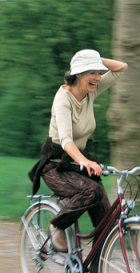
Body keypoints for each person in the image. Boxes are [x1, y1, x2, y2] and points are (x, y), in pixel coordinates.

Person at [28, 49, 127, 256]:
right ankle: (57, 225)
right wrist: (86, 161)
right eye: (93, 72)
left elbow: (121, 68)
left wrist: (96, 60)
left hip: (76, 165)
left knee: (106, 223)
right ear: (79, 73)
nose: (98, 78)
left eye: (99, 73)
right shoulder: (63, 99)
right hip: (54, 166)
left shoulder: (91, 91)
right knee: (92, 190)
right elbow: (66, 140)